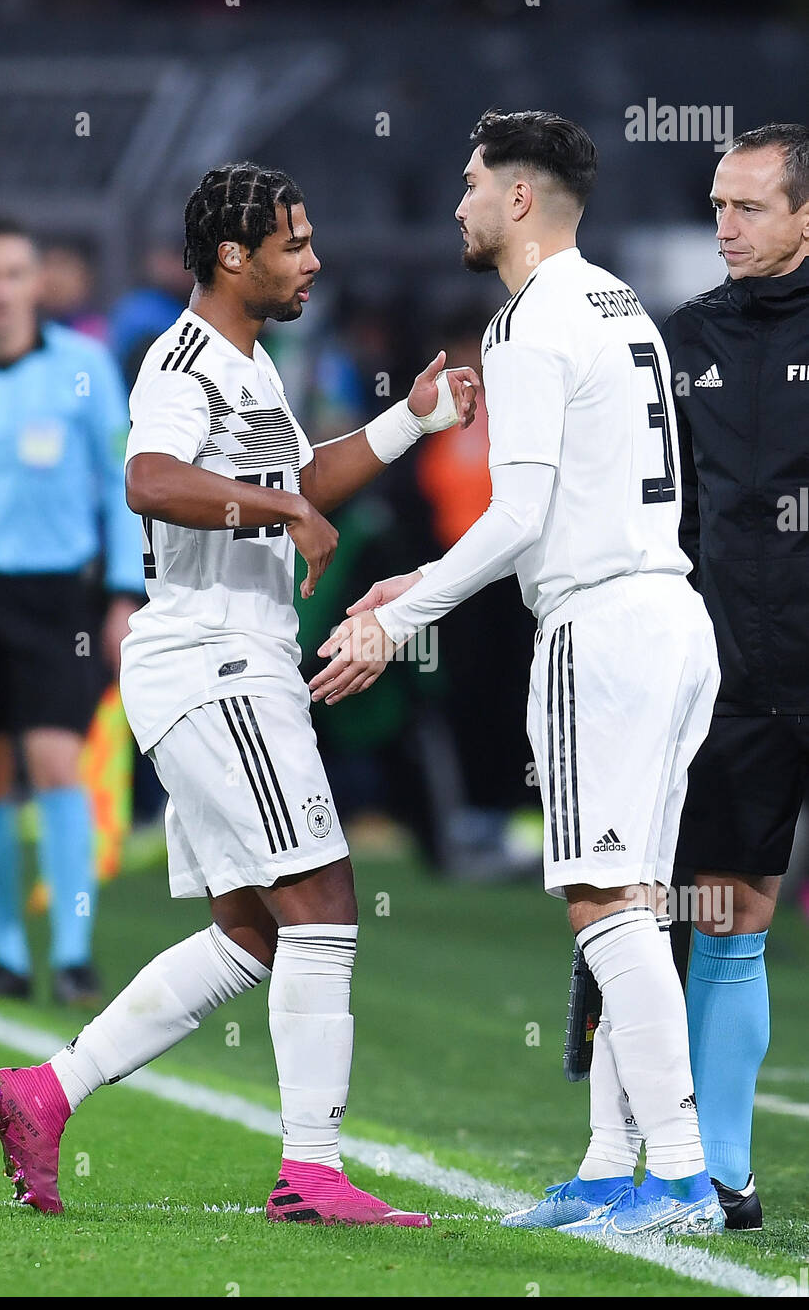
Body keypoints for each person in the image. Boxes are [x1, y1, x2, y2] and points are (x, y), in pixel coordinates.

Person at [0, 162, 479, 1226]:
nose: (314, 261)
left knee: (252, 931)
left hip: (229, 662)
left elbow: (295, 486)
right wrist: (276, 514)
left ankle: (44, 1091)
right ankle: (311, 1169)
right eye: (295, 243)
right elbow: (149, 480)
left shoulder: (251, 368)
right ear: (234, 255)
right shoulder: (184, 359)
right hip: (214, 660)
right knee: (325, 894)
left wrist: (408, 423)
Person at [311, 110, 725, 1238]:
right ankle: (606, 1164)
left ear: (520, 199)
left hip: (600, 627)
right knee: (628, 902)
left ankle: (679, 1173)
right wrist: (418, 589)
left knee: (601, 902)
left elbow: (519, 516)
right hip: (668, 614)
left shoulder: (528, 321)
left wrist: (405, 614)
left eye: (469, 182)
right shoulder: (619, 302)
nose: (456, 204)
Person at [662, 123, 809, 1230]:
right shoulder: (686, 338)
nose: (722, 224)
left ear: (805, 217)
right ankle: (722, 1169)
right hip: (733, 673)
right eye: (717, 203)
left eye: (748, 207)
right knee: (727, 914)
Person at [0, 217, 143, 1004]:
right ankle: (4, 952)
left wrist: (124, 595)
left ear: (38, 283)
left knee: (58, 760)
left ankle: (71, 951)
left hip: (58, 594)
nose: (0, 290)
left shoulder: (84, 368)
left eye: (13, 274)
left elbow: (119, 479)